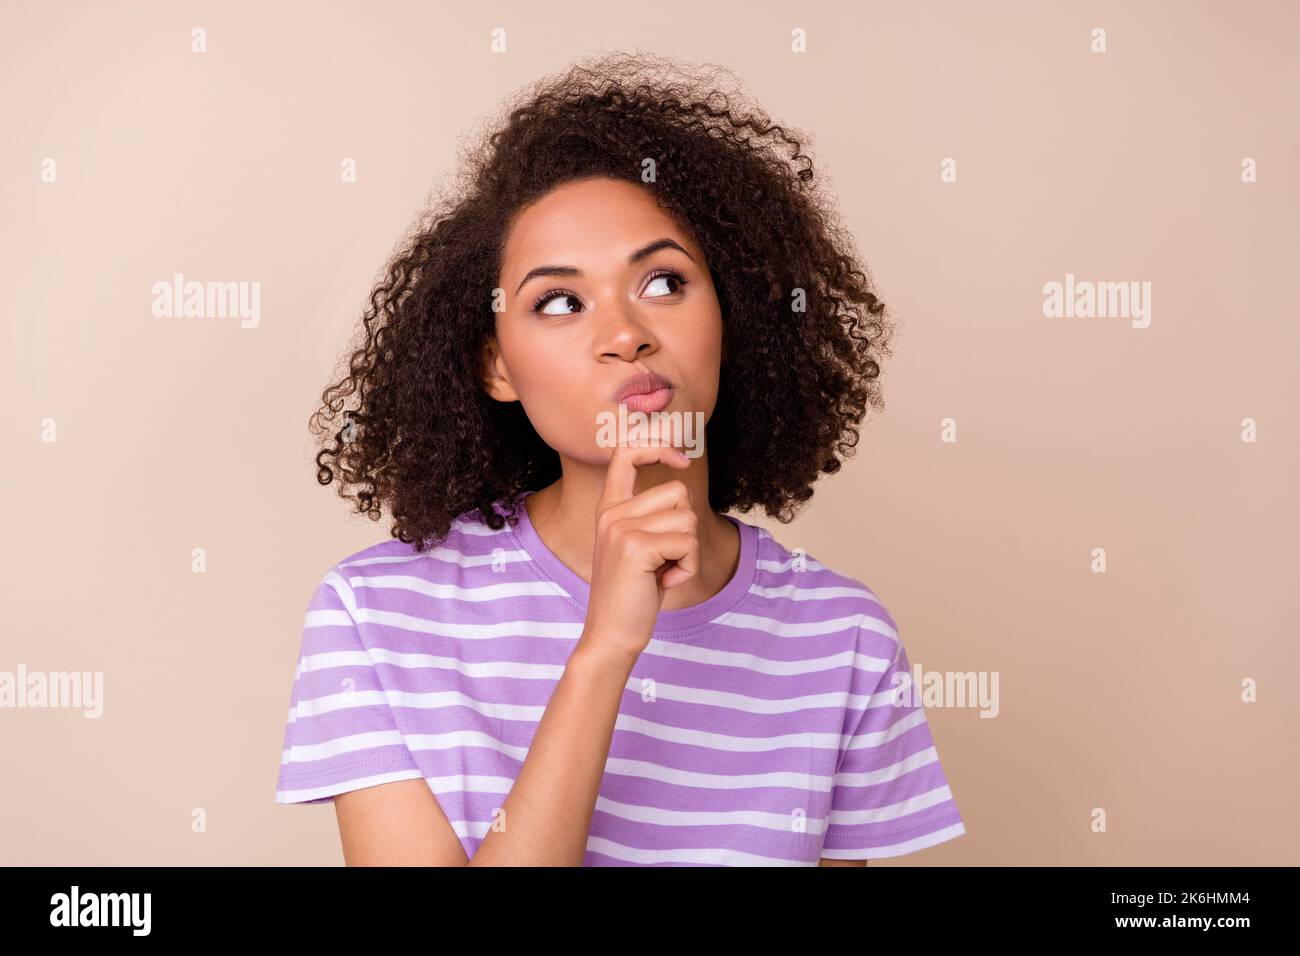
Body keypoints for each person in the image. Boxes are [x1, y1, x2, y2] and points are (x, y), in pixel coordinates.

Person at [274, 50, 966, 866]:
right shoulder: (377, 618)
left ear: (730, 316)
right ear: (496, 366)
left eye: (665, 283)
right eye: (560, 302)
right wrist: (604, 651)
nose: (626, 333)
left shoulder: (841, 638)